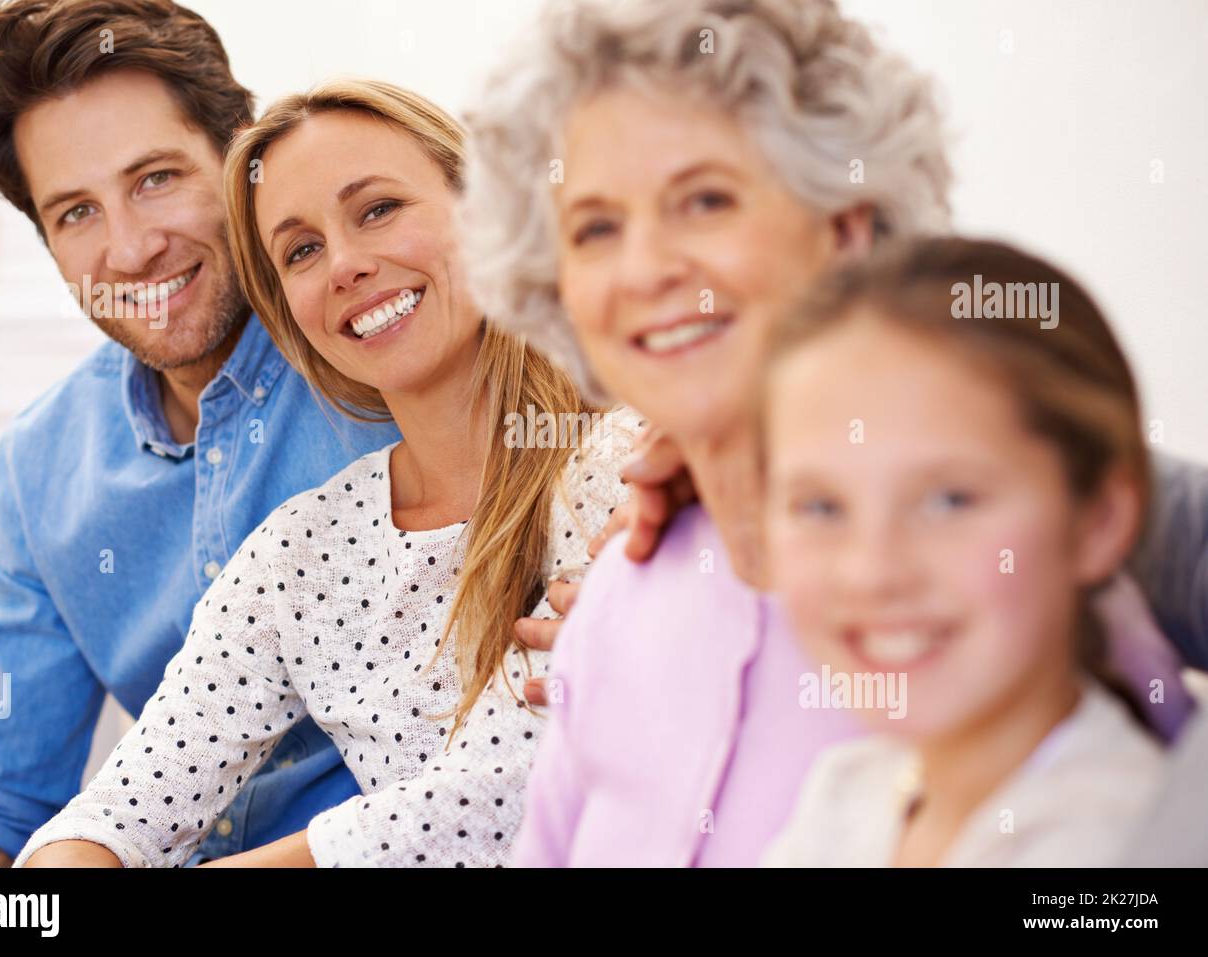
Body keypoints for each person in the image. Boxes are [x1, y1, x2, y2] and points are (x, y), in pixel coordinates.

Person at [457, 0, 1206, 866]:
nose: (645, 268)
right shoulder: (618, 595)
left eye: (705, 200)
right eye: (594, 228)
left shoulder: (993, 611)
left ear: (846, 228)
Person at [15, 78, 640, 868]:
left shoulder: (626, 468)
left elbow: (495, 802)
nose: (344, 264)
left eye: (378, 209)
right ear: (291, 312)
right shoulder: (302, 551)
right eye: (302, 250)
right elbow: (124, 806)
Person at [0, 0, 398, 868]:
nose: (131, 250)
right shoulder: (40, 467)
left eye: (155, 178)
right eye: (76, 212)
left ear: (243, 158)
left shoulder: (391, 360)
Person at [762, 238, 1172, 866]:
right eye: (820, 507)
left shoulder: (1127, 850)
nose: (871, 572)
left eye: (949, 501)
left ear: (1099, 521)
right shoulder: (847, 793)